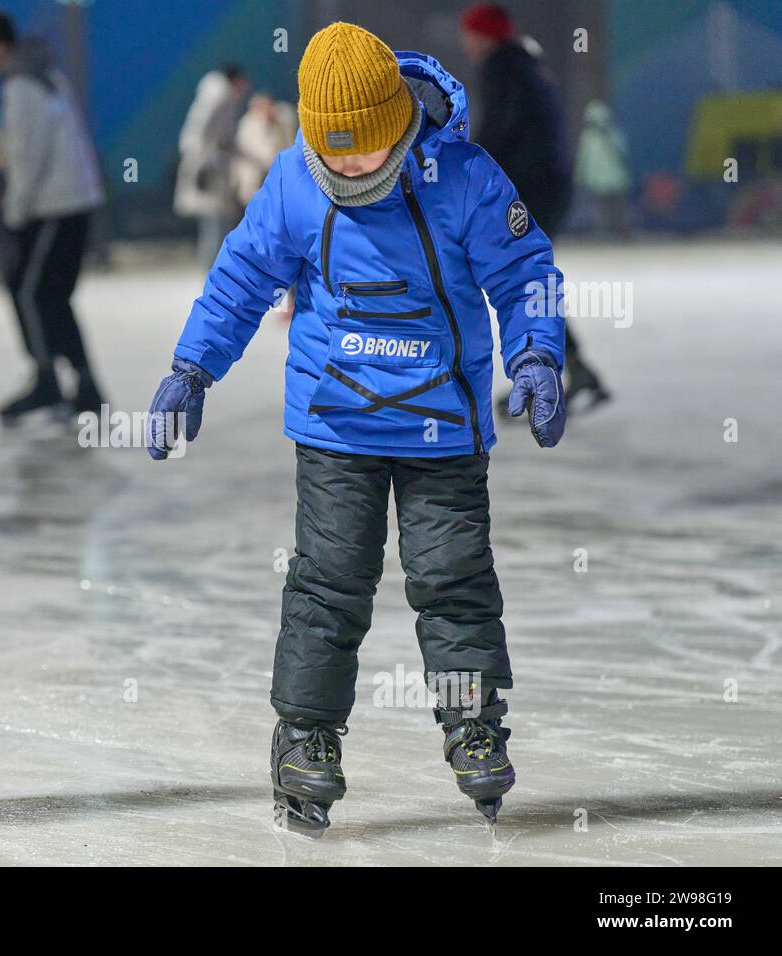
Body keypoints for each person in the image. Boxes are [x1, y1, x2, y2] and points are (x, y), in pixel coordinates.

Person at [147, 23, 568, 836]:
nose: (346, 167)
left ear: (399, 126)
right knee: (328, 585)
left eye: (364, 152)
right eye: (331, 151)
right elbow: (239, 280)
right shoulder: (293, 184)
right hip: (335, 426)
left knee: (454, 581)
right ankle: (306, 736)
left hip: (442, 428)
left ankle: (471, 720)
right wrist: (191, 368)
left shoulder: (466, 179)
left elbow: (525, 275)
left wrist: (538, 356)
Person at [460, 2, 610, 412]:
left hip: (533, 189)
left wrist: (469, 170)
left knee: (526, 282)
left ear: (485, 36)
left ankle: (549, 373)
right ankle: (573, 369)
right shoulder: (526, 63)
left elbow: (500, 127)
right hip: (549, 186)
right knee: (530, 281)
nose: (466, 42)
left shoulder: (501, 66)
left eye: (470, 34)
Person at [0, 10, 107, 424]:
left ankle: (48, 379)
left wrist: (16, 212)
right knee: (50, 294)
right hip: (72, 201)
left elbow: (30, 152)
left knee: (28, 290)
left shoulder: (19, 83)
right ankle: (84, 384)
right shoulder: (44, 74)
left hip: (53, 207)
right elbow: (28, 137)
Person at [174, 65, 250, 266]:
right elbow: (201, 131)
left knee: (215, 218)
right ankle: (213, 265)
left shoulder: (219, 95)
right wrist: (203, 162)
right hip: (208, 165)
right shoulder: (217, 96)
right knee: (214, 218)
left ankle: (214, 264)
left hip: (211, 162)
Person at [574, 100, 631, 236]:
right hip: (609, 179)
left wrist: (580, 177)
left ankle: (614, 231)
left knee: (610, 207)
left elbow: (583, 160)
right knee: (605, 208)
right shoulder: (608, 134)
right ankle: (608, 231)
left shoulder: (596, 136)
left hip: (605, 180)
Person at [231, 91, 297, 208]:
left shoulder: (283, 118)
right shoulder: (248, 126)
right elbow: (260, 154)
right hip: (255, 179)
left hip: (280, 179)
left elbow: (290, 144)